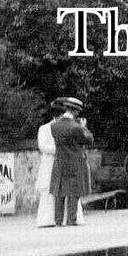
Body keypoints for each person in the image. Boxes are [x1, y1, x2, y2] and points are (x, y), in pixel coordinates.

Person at [35, 97, 86, 227]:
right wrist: (59, 150)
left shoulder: (68, 127)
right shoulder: (45, 128)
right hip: (50, 162)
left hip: (63, 161)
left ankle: (70, 218)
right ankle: (47, 219)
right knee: (49, 190)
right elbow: (43, 147)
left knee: (67, 190)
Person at [48, 96, 93, 227]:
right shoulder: (76, 127)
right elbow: (89, 140)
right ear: (75, 111)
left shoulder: (54, 126)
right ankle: (71, 220)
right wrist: (84, 127)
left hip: (60, 162)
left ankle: (58, 220)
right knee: (74, 192)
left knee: (59, 192)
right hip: (74, 162)